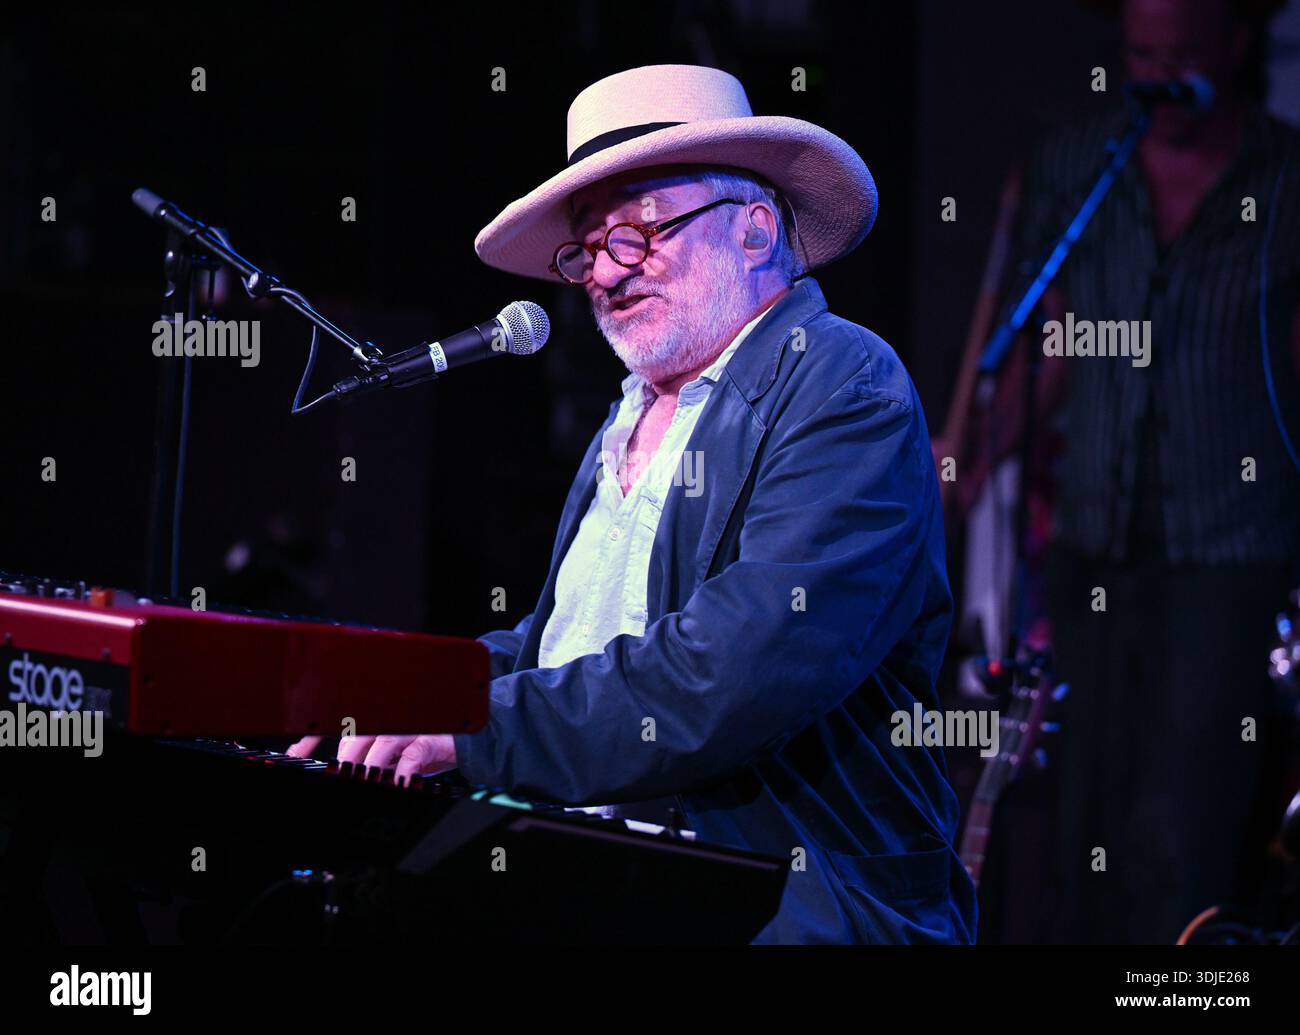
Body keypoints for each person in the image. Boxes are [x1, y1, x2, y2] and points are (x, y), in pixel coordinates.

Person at [293, 63, 976, 943]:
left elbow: (739, 667)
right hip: (609, 875)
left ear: (756, 231)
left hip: (794, 906)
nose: (609, 275)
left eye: (644, 232)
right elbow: (563, 647)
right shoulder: (631, 414)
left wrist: (472, 729)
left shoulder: (845, 384)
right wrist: (380, 689)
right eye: (588, 248)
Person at [945, 0, 1300, 943]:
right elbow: (1051, 338)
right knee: (1082, 820)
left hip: (1229, 544)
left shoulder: (1287, 176)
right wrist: (974, 462)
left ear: (1234, 42)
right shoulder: (1079, 166)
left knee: (1182, 828)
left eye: (1181, 54)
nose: (1159, 75)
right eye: (1141, 53)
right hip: (1092, 539)